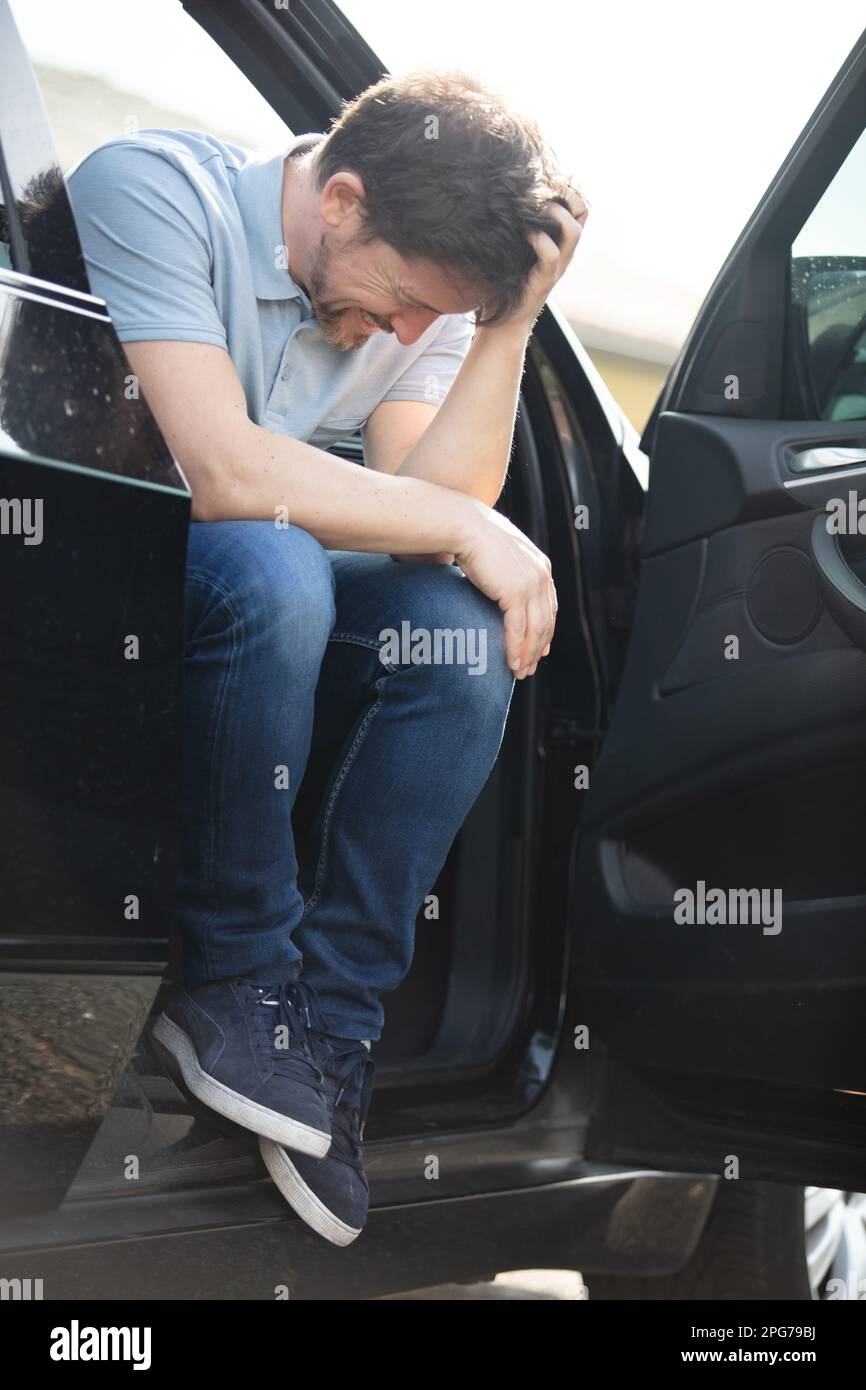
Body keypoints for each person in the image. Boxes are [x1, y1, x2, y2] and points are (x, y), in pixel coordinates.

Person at [67, 68, 588, 1246]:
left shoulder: (418, 292)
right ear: (339, 199)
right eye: (407, 303)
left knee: (456, 633)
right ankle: (233, 985)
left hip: (267, 603)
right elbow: (226, 476)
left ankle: (329, 1028)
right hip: (113, 586)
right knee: (275, 558)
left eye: (434, 320)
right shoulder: (151, 187)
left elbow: (426, 501)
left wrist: (499, 321)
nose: (410, 336)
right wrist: (473, 529)